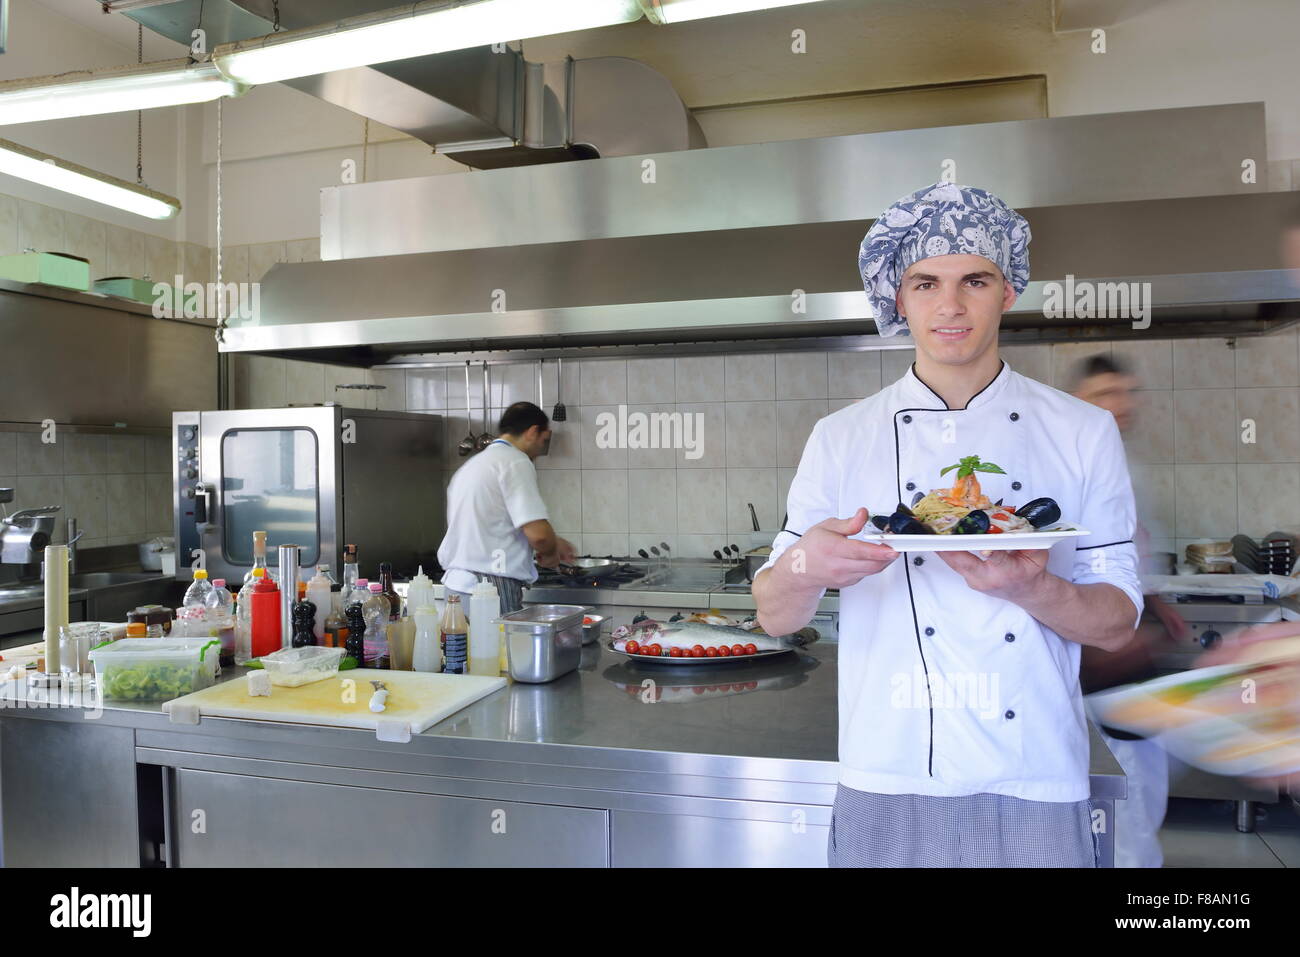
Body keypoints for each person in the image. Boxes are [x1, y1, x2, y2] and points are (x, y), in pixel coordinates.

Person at [753, 182, 1144, 867]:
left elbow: (1116, 621)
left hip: (1036, 774)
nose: (951, 304)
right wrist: (807, 565)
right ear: (899, 298)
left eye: (976, 280)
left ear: (1010, 291)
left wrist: (1031, 588)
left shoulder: (1084, 431)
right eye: (926, 282)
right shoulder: (841, 438)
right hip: (888, 769)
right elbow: (775, 614)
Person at [1071, 353, 1186, 868]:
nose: (1120, 406)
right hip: (1103, 675)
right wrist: (1110, 641)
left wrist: (1156, 600)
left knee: (1142, 800)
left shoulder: (1123, 464)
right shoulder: (1073, 471)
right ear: (1078, 404)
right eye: (1103, 396)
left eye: (1125, 393)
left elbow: (1124, 555)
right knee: (1126, 818)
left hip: (1133, 675)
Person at [437, 401, 575, 614]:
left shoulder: (471, 466)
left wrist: (553, 542)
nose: (540, 450)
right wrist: (550, 551)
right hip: (490, 588)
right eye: (543, 441)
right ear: (532, 432)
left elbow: (491, 525)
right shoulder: (515, 461)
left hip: (456, 588)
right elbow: (538, 536)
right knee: (501, 648)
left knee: (462, 648)